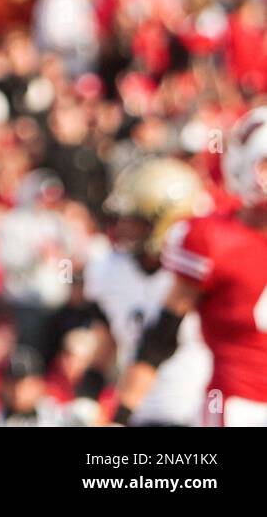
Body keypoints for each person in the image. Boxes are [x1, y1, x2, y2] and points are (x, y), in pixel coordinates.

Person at [115, 108, 267, 426]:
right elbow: (162, 336)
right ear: (244, 166)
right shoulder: (213, 239)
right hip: (242, 408)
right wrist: (122, 414)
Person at [79, 157, 212, 425]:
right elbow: (105, 345)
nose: (123, 228)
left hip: (198, 416)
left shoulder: (197, 273)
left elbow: (158, 345)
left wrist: (120, 414)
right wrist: (86, 399)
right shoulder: (107, 269)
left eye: (135, 221)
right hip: (141, 417)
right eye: (123, 219)